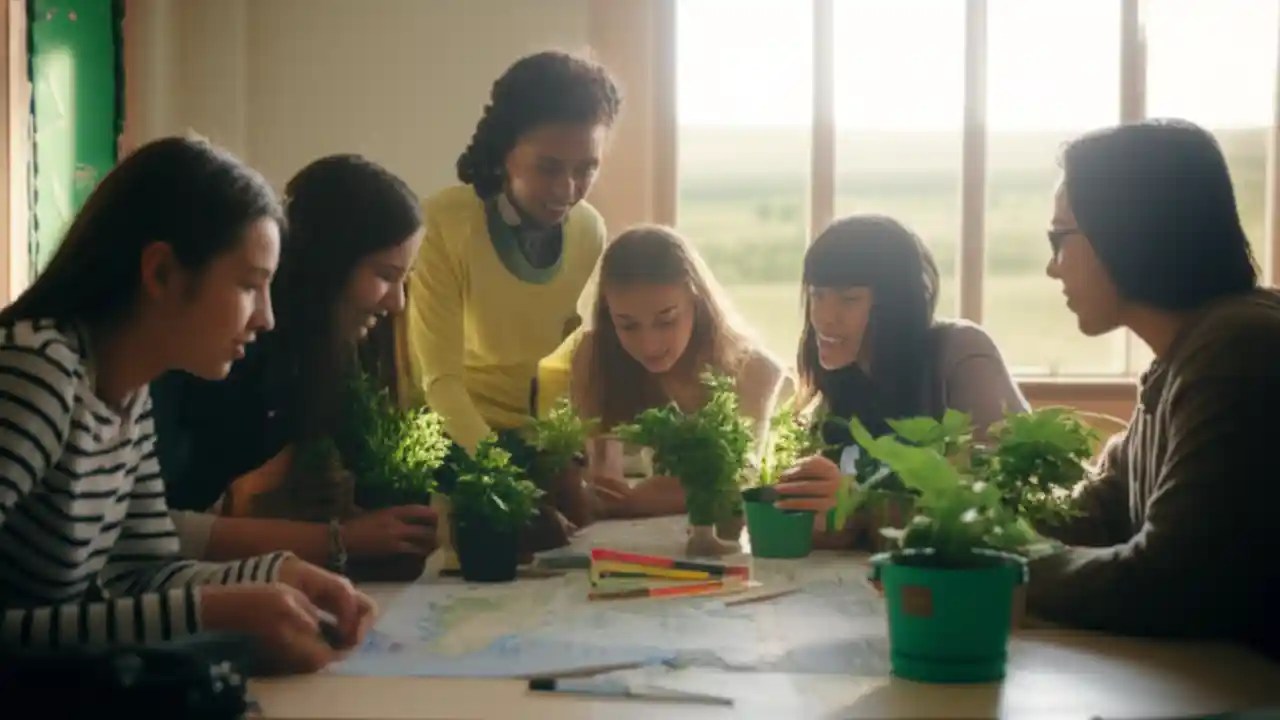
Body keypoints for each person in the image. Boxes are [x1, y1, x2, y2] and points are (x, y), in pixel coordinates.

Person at [0, 137, 371, 673]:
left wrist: (277, 574)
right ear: (161, 274)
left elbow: (143, 577)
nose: (266, 318)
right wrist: (214, 611)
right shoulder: (36, 374)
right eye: (250, 286)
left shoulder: (127, 393)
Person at [1022, 119, 1280, 658]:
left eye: (1060, 238)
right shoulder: (1184, 356)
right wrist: (939, 521)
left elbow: (1168, 583)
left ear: (1124, 232)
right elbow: (1099, 515)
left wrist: (1010, 566)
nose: (1052, 268)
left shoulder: (1239, 349)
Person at [151, 154, 434, 578]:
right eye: (385, 275)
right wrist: (338, 539)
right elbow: (151, 532)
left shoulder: (323, 359)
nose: (397, 303)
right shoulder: (211, 355)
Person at [397, 50, 622, 454]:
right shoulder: (445, 223)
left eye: (586, 168)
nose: (567, 190)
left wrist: (563, 455)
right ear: (504, 151)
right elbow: (439, 382)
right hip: (451, 438)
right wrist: (501, 472)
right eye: (548, 168)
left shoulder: (590, 231)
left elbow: (573, 367)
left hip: (541, 439)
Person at [770, 215, 1027, 542]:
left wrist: (858, 507)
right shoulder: (840, 383)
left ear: (895, 303)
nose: (824, 318)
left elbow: (987, 503)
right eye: (817, 295)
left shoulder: (961, 353)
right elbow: (842, 526)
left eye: (849, 299)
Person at [566, 225, 785, 518]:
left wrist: (644, 500)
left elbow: (736, 484)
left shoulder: (754, 371)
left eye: (666, 320)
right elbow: (596, 473)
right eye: (628, 325)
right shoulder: (593, 356)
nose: (649, 344)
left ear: (698, 302)